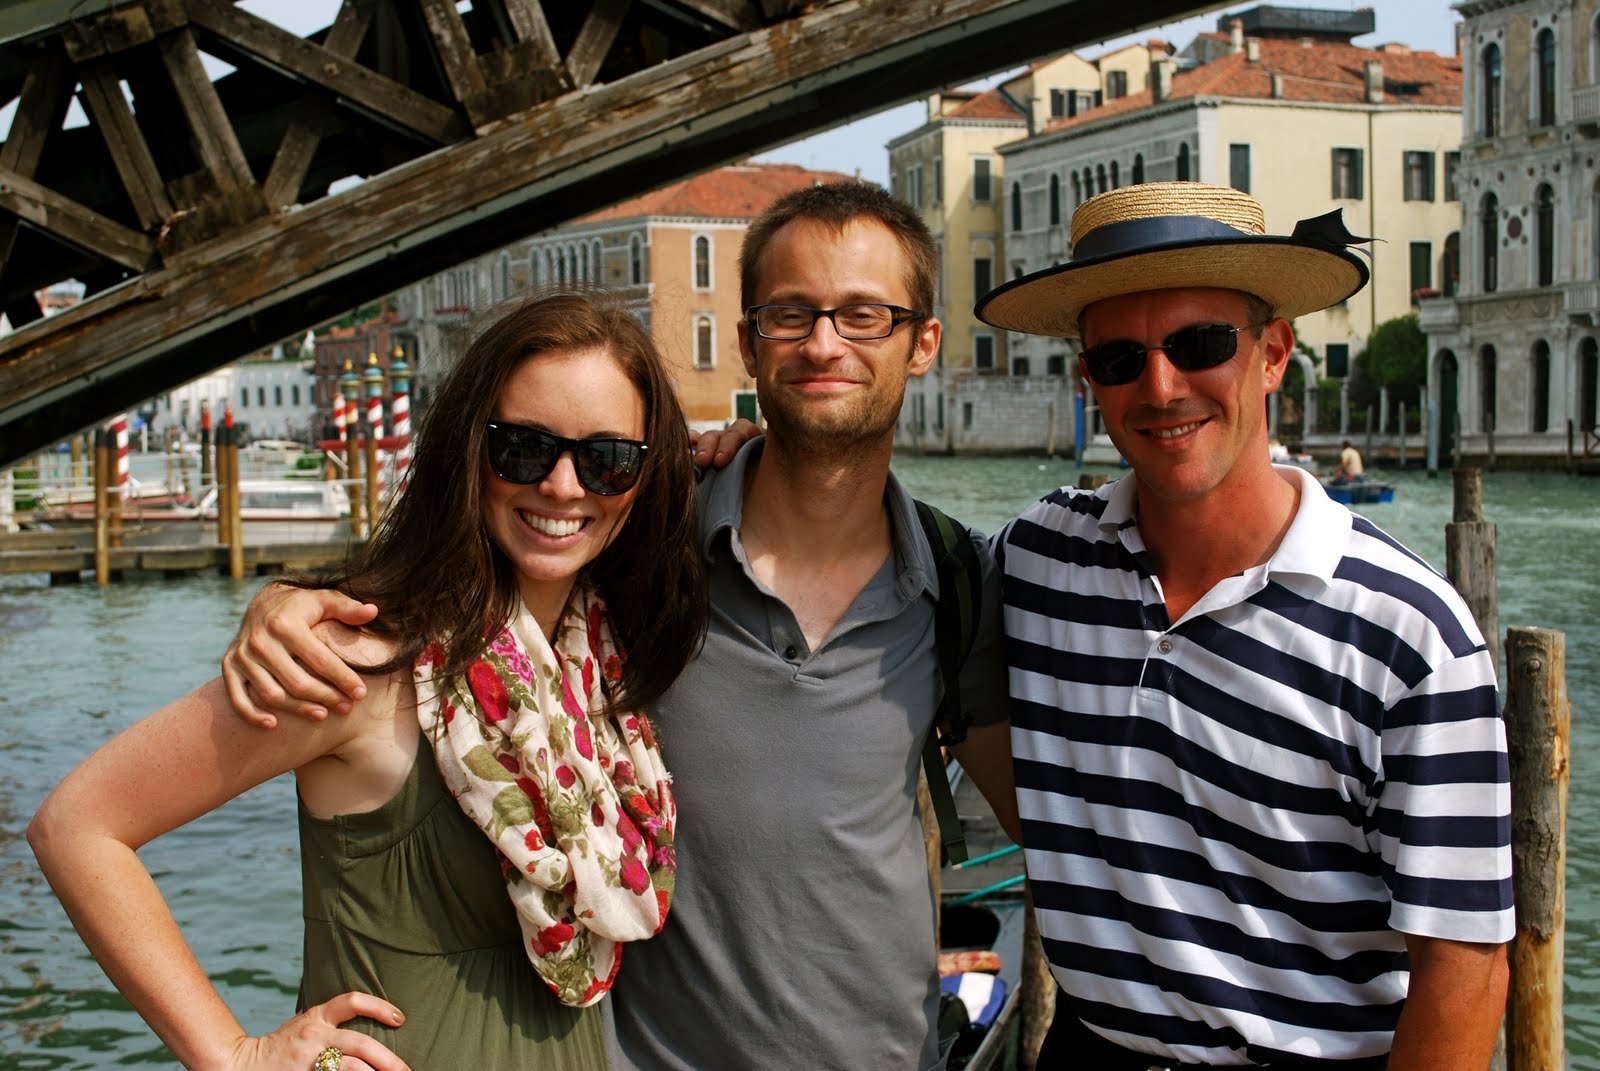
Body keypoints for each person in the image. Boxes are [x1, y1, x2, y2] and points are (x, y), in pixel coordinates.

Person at [219, 183, 1019, 1071]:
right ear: (750, 344)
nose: (825, 342)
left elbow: (1048, 821)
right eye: (792, 314)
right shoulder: (638, 539)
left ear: (924, 344)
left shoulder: (960, 581)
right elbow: (487, 555)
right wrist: (297, 599)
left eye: (864, 314)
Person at [29, 292, 707, 1071]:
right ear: (467, 451)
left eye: (607, 459)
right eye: (522, 448)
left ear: (644, 477)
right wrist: (236, 1053)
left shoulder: (600, 674)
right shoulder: (363, 661)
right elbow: (78, 825)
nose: (562, 485)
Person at [976, 182, 1512, 1068]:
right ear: (1089, 380)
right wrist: (736, 463)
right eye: (1118, 358)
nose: (1159, 385)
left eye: (1200, 344)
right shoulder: (1036, 561)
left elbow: (1465, 964)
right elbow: (871, 554)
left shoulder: (1411, 635)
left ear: (1272, 354)